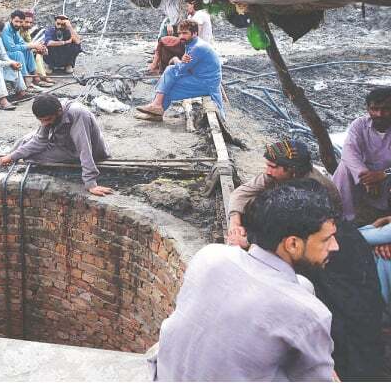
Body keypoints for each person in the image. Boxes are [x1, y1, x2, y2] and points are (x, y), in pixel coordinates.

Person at [225, 140, 385, 380]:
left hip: (351, 335)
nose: (268, 171)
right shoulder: (281, 182)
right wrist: (236, 223)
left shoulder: (324, 222)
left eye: (273, 166)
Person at [151, 180, 338, 381]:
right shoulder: (309, 312)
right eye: (327, 239)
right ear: (292, 244)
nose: (335, 247)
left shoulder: (210, 255)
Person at [0, 94, 113, 196]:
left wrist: (90, 184)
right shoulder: (51, 112)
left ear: (59, 111)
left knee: (30, 156)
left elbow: (84, 148)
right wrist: (11, 156)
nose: (45, 124)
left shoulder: (77, 114)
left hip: (83, 151)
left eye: (48, 120)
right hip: (64, 145)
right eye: (41, 120)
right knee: (24, 141)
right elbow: (39, 141)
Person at [134, 19, 223, 122]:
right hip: (200, 78)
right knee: (168, 80)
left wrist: (175, 59)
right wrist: (180, 61)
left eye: (185, 33)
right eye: (179, 33)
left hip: (206, 83)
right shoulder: (191, 44)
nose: (181, 36)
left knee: (170, 74)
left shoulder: (197, 47)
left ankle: (157, 107)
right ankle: (156, 109)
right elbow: (185, 67)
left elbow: (181, 70)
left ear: (194, 33)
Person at [333, 88, 391, 224]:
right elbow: (348, 152)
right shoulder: (359, 125)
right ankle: (343, 218)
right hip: (365, 179)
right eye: (374, 109)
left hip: (387, 177)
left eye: (386, 109)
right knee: (344, 168)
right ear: (368, 109)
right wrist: (366, 177)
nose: (379, 114)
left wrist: (384, 173)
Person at [2, 10, 46, 89]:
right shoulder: (6, 29)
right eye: (16, 21)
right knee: (18, 53)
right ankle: (26, 80)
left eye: (20, 22)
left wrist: (34, 46)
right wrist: (31, 45)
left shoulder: (15, 29)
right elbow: (11, 48)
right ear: (11, 19)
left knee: (27, 49)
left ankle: (35, 77)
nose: (18, 24)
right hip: (2, 55)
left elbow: (21, 42)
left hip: (9, 53)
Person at [21, 10, 53, 87]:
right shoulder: (18, 30)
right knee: (30, 52)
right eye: (26, 22)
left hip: (25, 49)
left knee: (39, 54)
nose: (28, 24)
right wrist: (34, 47)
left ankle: (42, 76)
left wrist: (38, 48)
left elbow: (29, 43)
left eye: (30, 23)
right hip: (19, 52)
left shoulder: (26, 31)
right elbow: (21, 45)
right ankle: (37, 78)